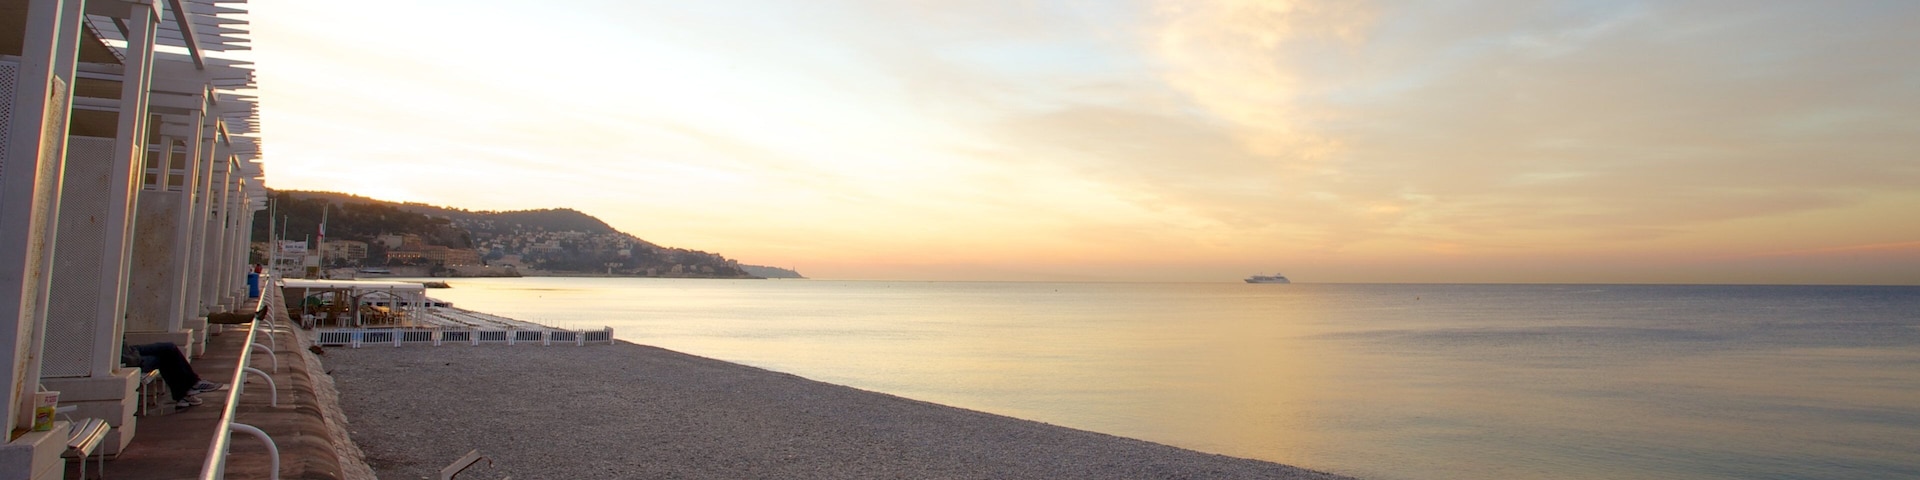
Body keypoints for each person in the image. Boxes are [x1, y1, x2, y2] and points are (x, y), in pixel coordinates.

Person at [121, 342, 227, 408]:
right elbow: (130, 360)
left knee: (170, 348)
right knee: (164, 358)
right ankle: (187, 391)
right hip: (128, 359)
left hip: (129, 350)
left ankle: (187, 390)